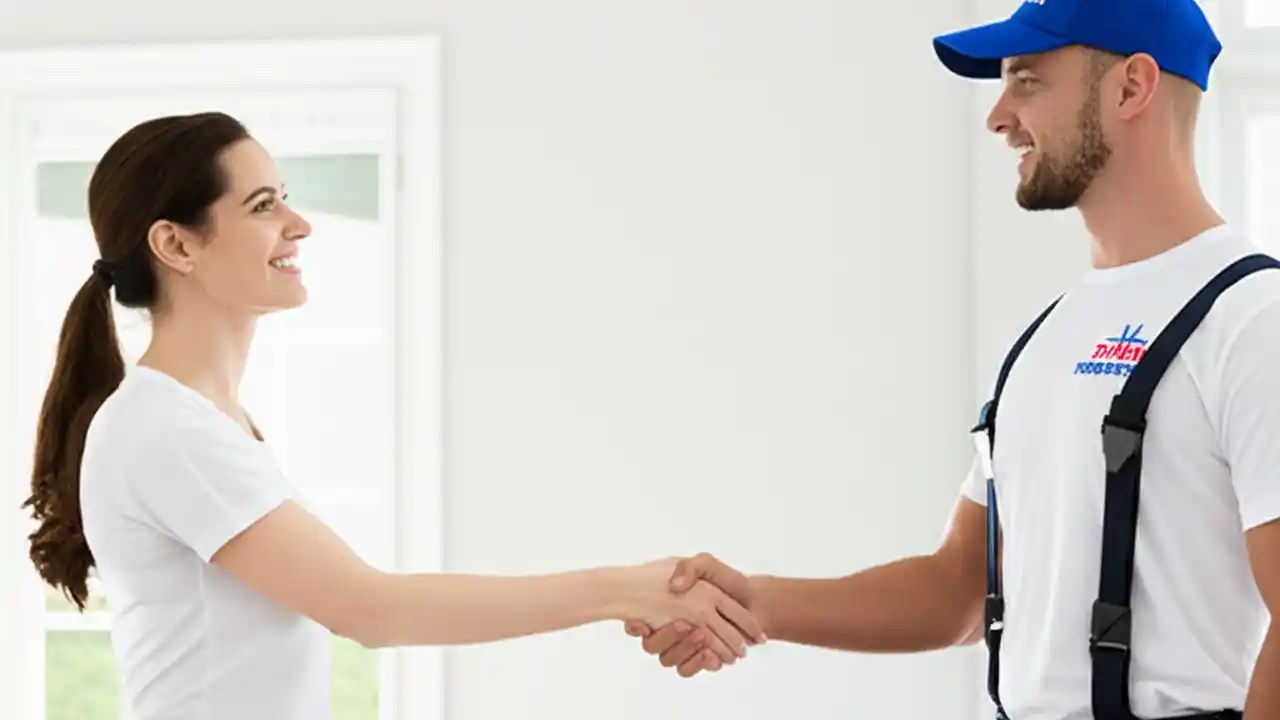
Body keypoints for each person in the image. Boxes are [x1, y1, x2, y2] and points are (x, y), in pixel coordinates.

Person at [625, 1, 1280, 718]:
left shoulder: (1252, 319)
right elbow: (958, 595)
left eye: (1027, 82)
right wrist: (752, 603)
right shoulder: (1043, 339)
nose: (999, 117)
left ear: (1132, 87)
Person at [21, 111, 765, 720]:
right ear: (175, 244)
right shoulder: (167, 430)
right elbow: (372, 610)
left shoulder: (204, 424)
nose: (299, 223)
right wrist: (622, 588)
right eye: (263, 205)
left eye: (284, 195)